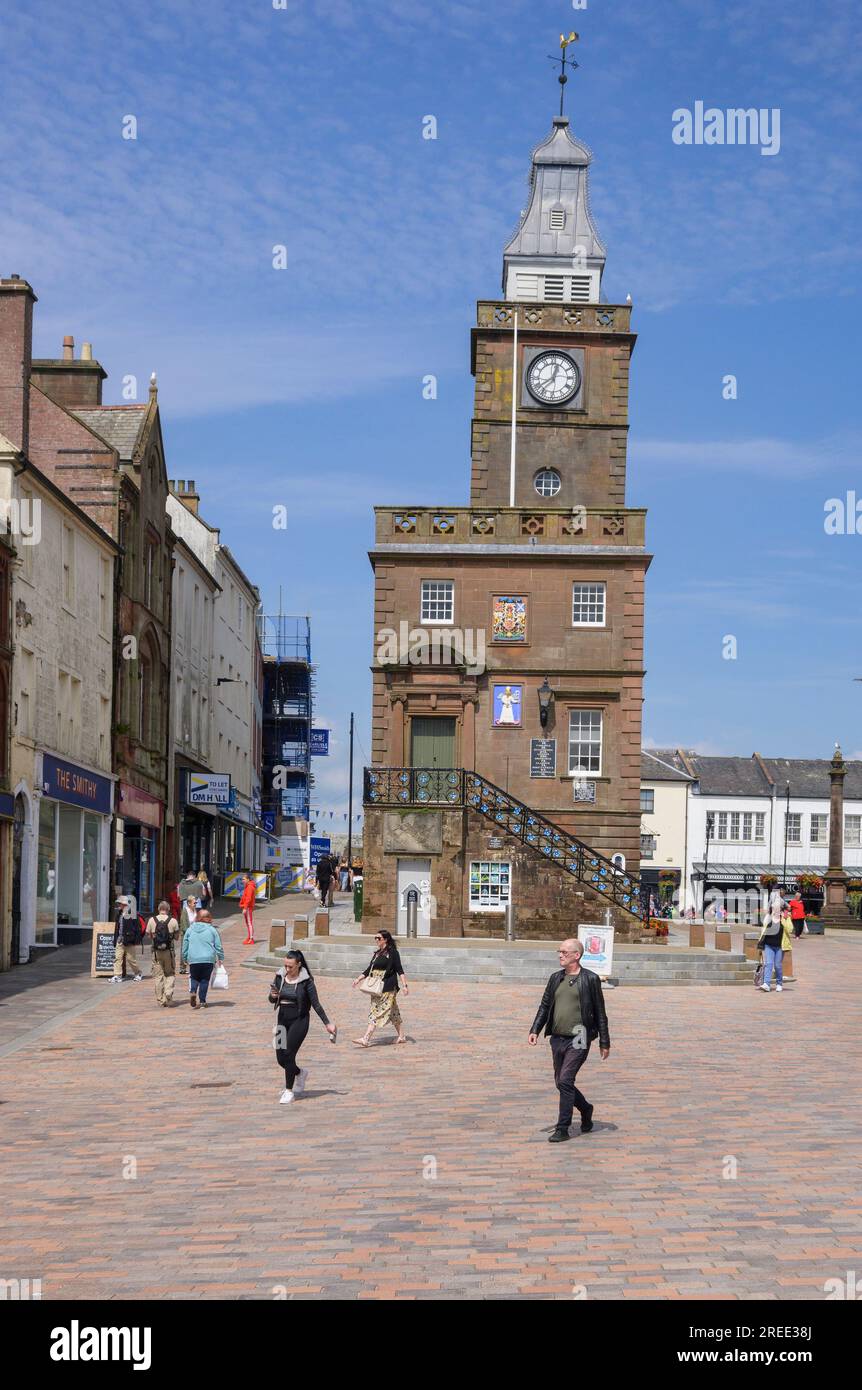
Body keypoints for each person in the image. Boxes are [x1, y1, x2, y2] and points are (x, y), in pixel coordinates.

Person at [529, 937, 610, 1143]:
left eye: (564, 952)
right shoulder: (556, 978)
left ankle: (563, 1127)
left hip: (580, 1037)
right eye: (559, 951)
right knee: (560, 1082)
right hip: (557, 1037)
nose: (560, 955)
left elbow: (600, 1012)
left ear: (577, 955)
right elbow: (545, 1005)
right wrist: (535, 1029)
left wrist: (604, 1042)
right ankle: (586, 1109)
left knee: (565, 1080)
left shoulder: (590, 979)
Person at [268, 949, 337, 1104]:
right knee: (281, 1059)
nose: (287, 969)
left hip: (300, 1020)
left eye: (290, 966)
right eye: (285, 965)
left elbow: (316, 1005)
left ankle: (288, 1091)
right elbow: (272, 1000)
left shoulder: (307, 981)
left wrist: (328, 1023)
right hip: (282, 1019)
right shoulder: (280, 976)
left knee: (288, 1054)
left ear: (298, 965)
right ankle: (300, 1073)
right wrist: (272, 996)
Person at [351, 929, 408, 1046]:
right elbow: (368, 970)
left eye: (379, 938)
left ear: (385, 939)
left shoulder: (392, 953)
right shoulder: (377, 954)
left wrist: (405, 985)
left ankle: (366, 1038)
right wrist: (358, 979)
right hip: (376, 987)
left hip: (387, 986)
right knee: (393, 1012)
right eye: (375, 938)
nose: (376, 940)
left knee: (376, 1011)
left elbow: (399, 970)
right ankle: (401, 1036)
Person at [181, 907, 225, 1007]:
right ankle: (202, 1001)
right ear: (209, 918)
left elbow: (185, 944)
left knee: (194, 977)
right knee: (204, 979)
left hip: (194, 959)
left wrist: (185, 957)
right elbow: (218, 945)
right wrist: (221, 957)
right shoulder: (212, 930)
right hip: (208, 959)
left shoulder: (190, 929)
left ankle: (193, 991)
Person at [146, 900, 180, 1007]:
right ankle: (168, 992)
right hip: (169, 951)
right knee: (170, 973)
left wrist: (155, 937)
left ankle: (161, 999)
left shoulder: (152, 920)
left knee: (158, 976)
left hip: (156, 952)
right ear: (168, 909)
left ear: (159, 909)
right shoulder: (173, 921)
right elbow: (177, 937)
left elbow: (148, 935)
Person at [111, 894, 144, 984]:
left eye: (120, 904)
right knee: (117, 958)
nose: (119, 905)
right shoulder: (119, 914)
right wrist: (115, 940)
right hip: (120, 940)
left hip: (129, 941)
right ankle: (117, 975)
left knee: (131, 959)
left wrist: (136, 940)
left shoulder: (133, 914)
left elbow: (137, 929)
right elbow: (117, 928)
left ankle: (138, 973)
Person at [757, 908, 787, 993]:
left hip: (779, 946)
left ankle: (779, 984)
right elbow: (763, 931)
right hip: (768, 945)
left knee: (777, 965)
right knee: (769, 964)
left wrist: (785, 918)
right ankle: (766, 984)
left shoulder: (784, 920)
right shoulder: (768, 919)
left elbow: (790, 929)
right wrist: (760, 944)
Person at [177, 870, 200, 975]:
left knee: (194, 950)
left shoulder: (181, 884)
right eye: (194, 902)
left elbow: (178, 894)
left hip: (194, 932)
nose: (196, 904)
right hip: (187, 932)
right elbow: (184, 923)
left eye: (196, 902)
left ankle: (192, 967)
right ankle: (182, 967)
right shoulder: (185, 911)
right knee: (185, 949)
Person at [239, 872, 257, 944]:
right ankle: (249, 937)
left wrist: (245, 908)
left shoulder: (249, 887)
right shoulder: (248, 886)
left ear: (248, 879)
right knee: (248, 922)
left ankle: (251, 939)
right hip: (247, 907)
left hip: (248, 907)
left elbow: (248, 898)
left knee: (249, 923)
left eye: (244, 879)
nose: (242, 880)